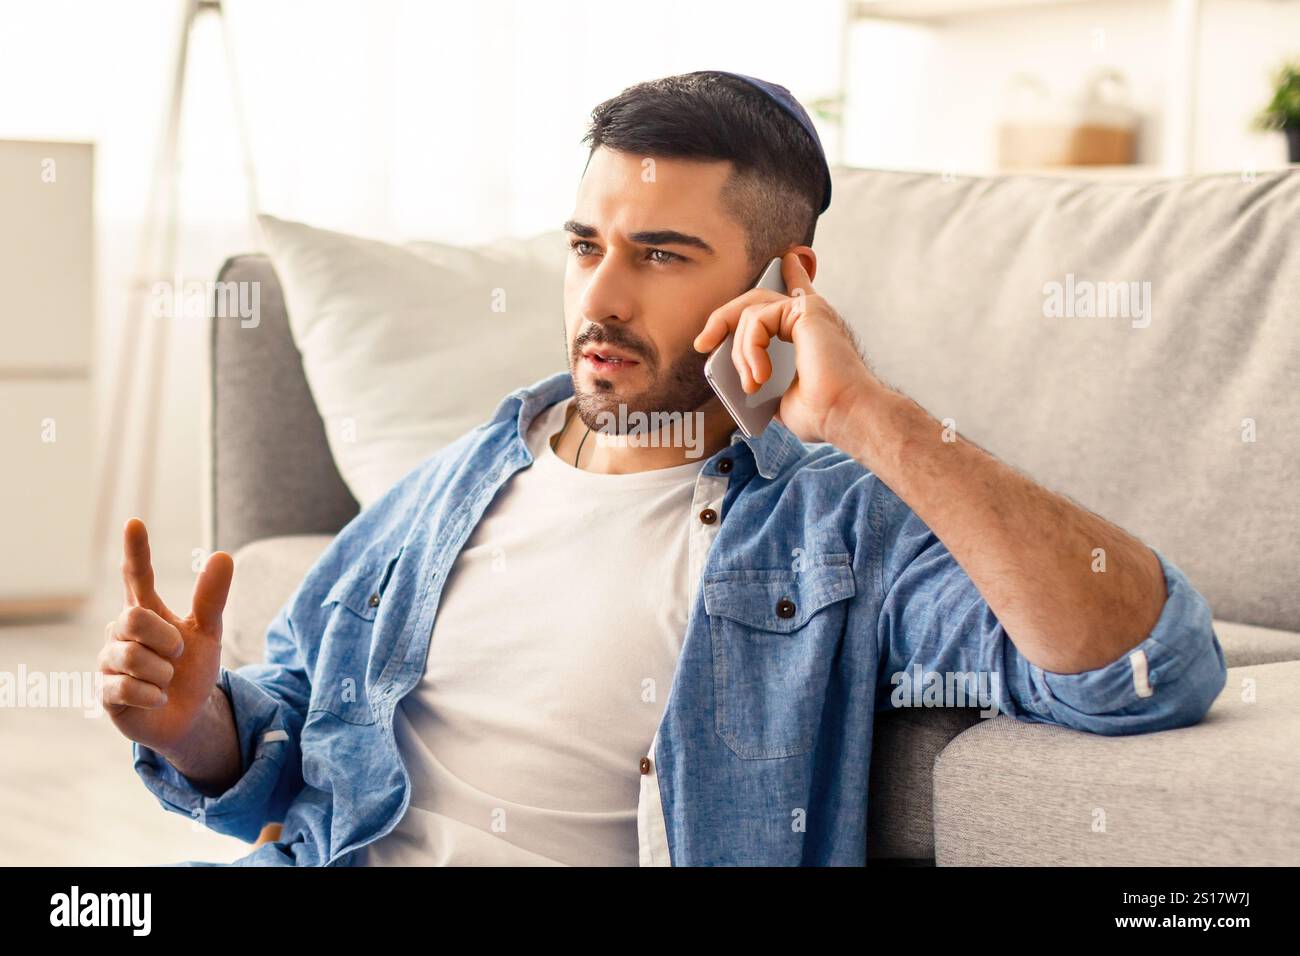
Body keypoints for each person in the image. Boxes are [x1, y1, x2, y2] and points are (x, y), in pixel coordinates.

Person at [99, 71, 1226, 866]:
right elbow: (281, 731)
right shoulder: (458, 479)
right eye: (586, 245)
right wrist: (194, 722)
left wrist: (871, 416)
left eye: (661, 255)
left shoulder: (833, 529)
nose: (599, 296)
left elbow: (1142, 669)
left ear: (784, 276)